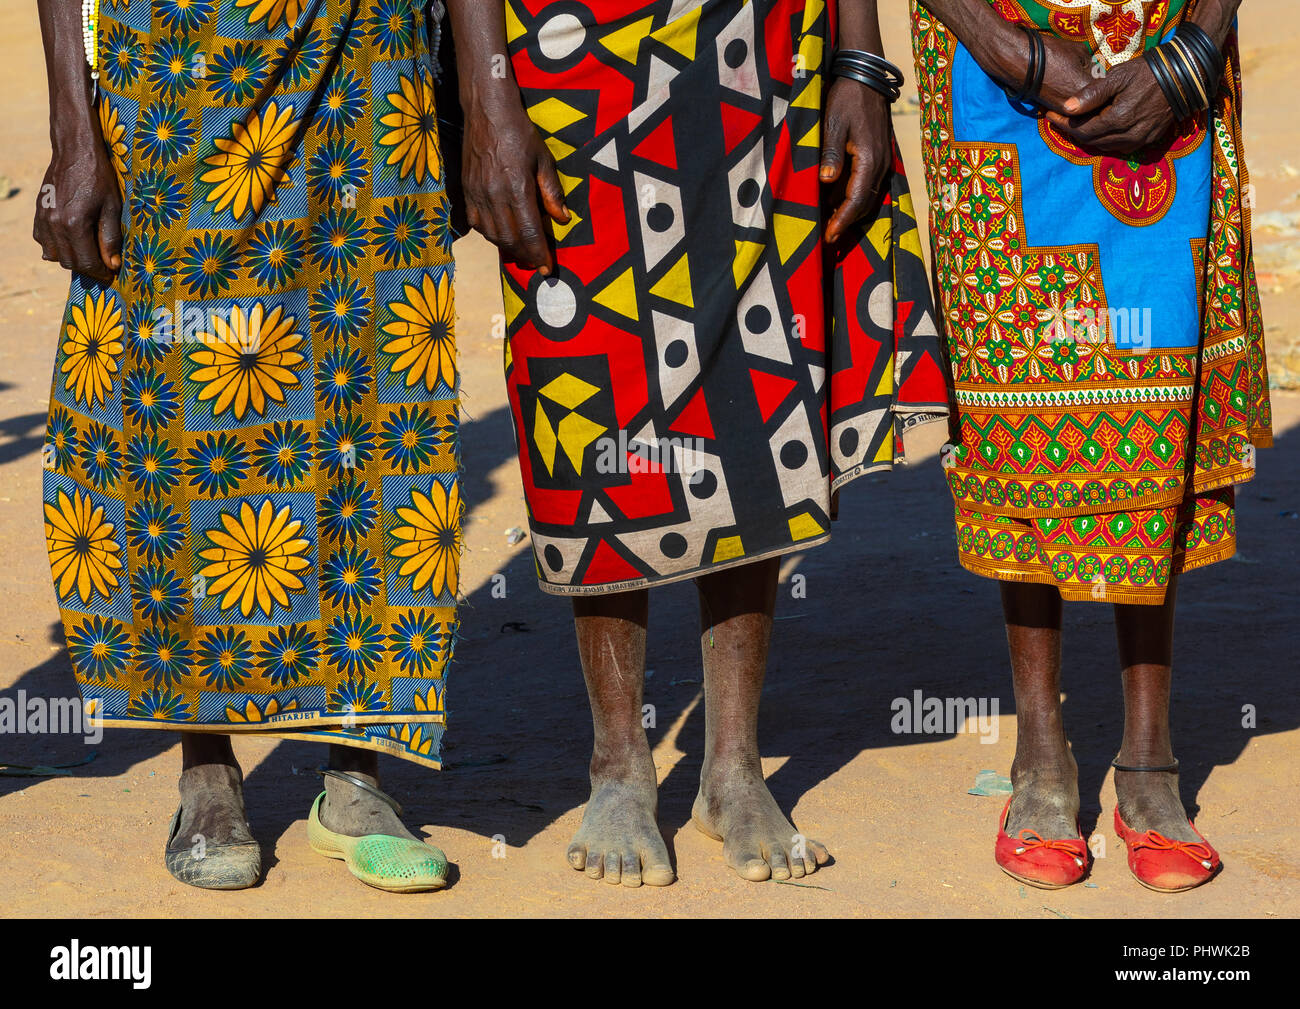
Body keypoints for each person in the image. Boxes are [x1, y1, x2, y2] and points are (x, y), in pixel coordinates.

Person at [448, 0, 949, 886]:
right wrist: (488, 96)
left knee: (754, 378)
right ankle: (618, 765)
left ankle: (732, 767)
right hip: (568, 48)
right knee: (592, 370)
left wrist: (859, 61)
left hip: (759, 36)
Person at [34, 0, 462, 892]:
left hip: (364, 55)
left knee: (366, 394)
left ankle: (356, 777)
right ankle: (208, 773)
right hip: (177, 61)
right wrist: (75, 128)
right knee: (185, 409)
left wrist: (477, 92)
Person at [909, 0, 1269, 891]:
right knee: (1020, 393)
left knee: (1160, 382)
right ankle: (1041, 753)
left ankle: (1148, 757)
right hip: (988, 48)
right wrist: (1004, 45)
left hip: (1168, 41)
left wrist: (1195, 48)